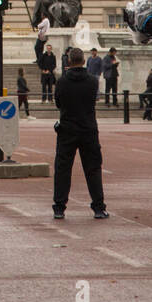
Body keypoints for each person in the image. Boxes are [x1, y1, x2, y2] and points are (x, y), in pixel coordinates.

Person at [52, 47, 108, 219]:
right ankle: (98, 207)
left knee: (63, 169)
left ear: (69, 61)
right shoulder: (92, 81)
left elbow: (59, 103)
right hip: (88, 129)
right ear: (83, 61)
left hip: (67, 129)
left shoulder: (62, 82)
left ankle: (60, 207)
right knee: (93, 169)